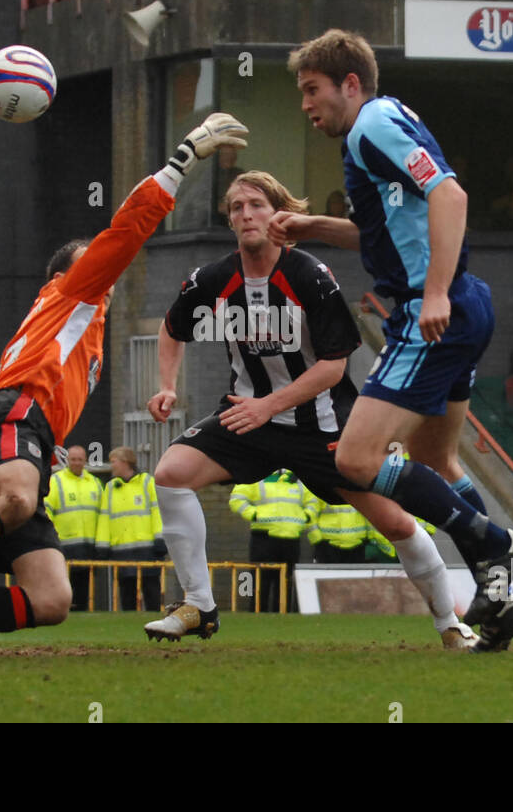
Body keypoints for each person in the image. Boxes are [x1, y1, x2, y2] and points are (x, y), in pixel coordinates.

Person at [0, 111, 249, 662]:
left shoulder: (86, 326)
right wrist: (182, 160)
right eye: (91, 265)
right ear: (64, 276)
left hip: (27, 430)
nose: (104, 276)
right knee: (13, 497)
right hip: (13, 413)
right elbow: (127, 230)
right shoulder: (71, 293)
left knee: (51, 598)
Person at [273, 29, 513, 650]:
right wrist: (312, 226)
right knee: (434, 463)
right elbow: (386, 228)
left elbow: (449, 193)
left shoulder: (372, 125)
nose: (306, 106)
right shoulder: (380, 129)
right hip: (466, 304)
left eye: (313, 91)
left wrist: (435, 292)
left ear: (351, 84)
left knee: (355, 461)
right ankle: (495, 594)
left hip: (433, 311)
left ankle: (497, 545)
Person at [143, 169, 479, 650]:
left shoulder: (310, 275)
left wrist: (269, 406)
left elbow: (333, 364)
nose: (245, 214)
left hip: (322, 425)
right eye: (236, 207)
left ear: (279, 213)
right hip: (249, 416)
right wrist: (167, 387)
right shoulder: (212, 278)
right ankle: (199, 605)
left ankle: (450, 623)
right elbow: (172, 329)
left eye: (256, 204)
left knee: (396, 523)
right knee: (171, 474)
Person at [96, 447, 165, 611]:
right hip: (121, 550)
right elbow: (105, 518)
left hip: (147, 549)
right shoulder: (110, 487)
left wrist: (160, 539)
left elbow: (158, 512)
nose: (111, 466)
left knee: (151, 591)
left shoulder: (147, 483)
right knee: (127, 594)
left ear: (125, 462)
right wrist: (102, 546)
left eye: (114, 462)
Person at [230, 469, 309, 612]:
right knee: (261, 580)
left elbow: (313, 501)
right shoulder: (258, 475)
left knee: (285, 581)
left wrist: (306, 517)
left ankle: (283, 614)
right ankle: (257, 612)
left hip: (291, 537)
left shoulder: (296, 479)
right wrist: (253, 514)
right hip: (264, 536)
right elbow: (237, 499)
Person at [43, 444, 102, 610]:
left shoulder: (94, 483)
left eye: (80, 459)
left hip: (89, 545)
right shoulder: (56, 481)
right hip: (64, 544)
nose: (76, 463)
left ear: (85, 461)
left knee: (84, 587)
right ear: (67, 460)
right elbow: (47, 511)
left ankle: (83, 612)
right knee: (63, 585)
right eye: (73, 459)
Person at [304, 487, 368, 563]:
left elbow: (370, 515)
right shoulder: (321, 487)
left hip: (357, 545)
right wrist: (318, 540)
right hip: (328, 546)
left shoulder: (360, 487)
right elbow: (309, 516)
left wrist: (370, 539)